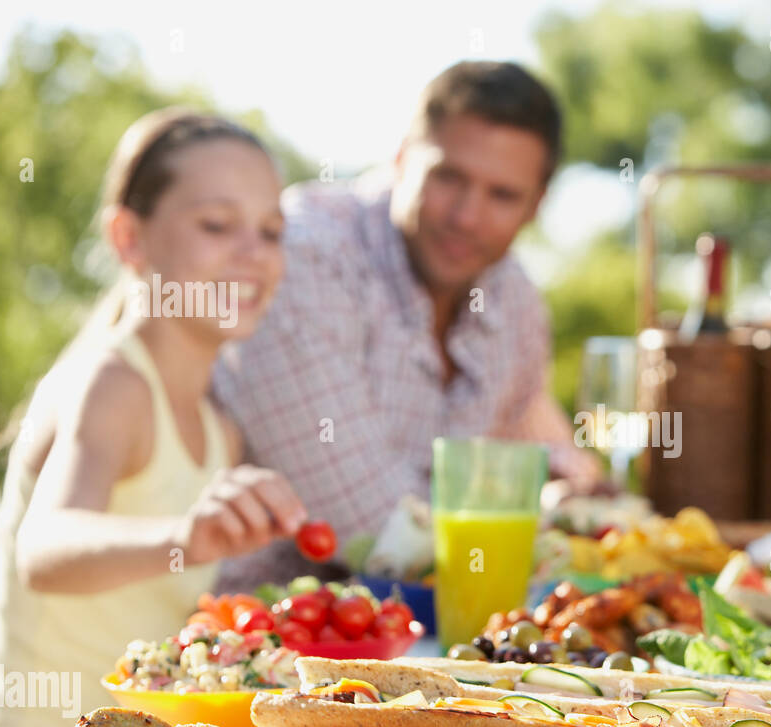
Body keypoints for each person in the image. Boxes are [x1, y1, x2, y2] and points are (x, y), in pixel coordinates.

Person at [0, 109, 307, 727]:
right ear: (130, 238)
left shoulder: (220, 427)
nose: (253, 252)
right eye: (216, 224)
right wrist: (186, 538)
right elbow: (46, 548)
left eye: (271, 231)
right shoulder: (113, 383)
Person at [211, 61, 602, 591]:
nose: (467, 215)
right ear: (400, 157)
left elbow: (523, 451)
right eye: (448, 177)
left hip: (436, 630)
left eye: (502, 195)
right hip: (258, 641)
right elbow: (376, 533)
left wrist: (565, 484)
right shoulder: (305, 257)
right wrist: (550, 534)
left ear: (536, 205)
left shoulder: (514, 298)